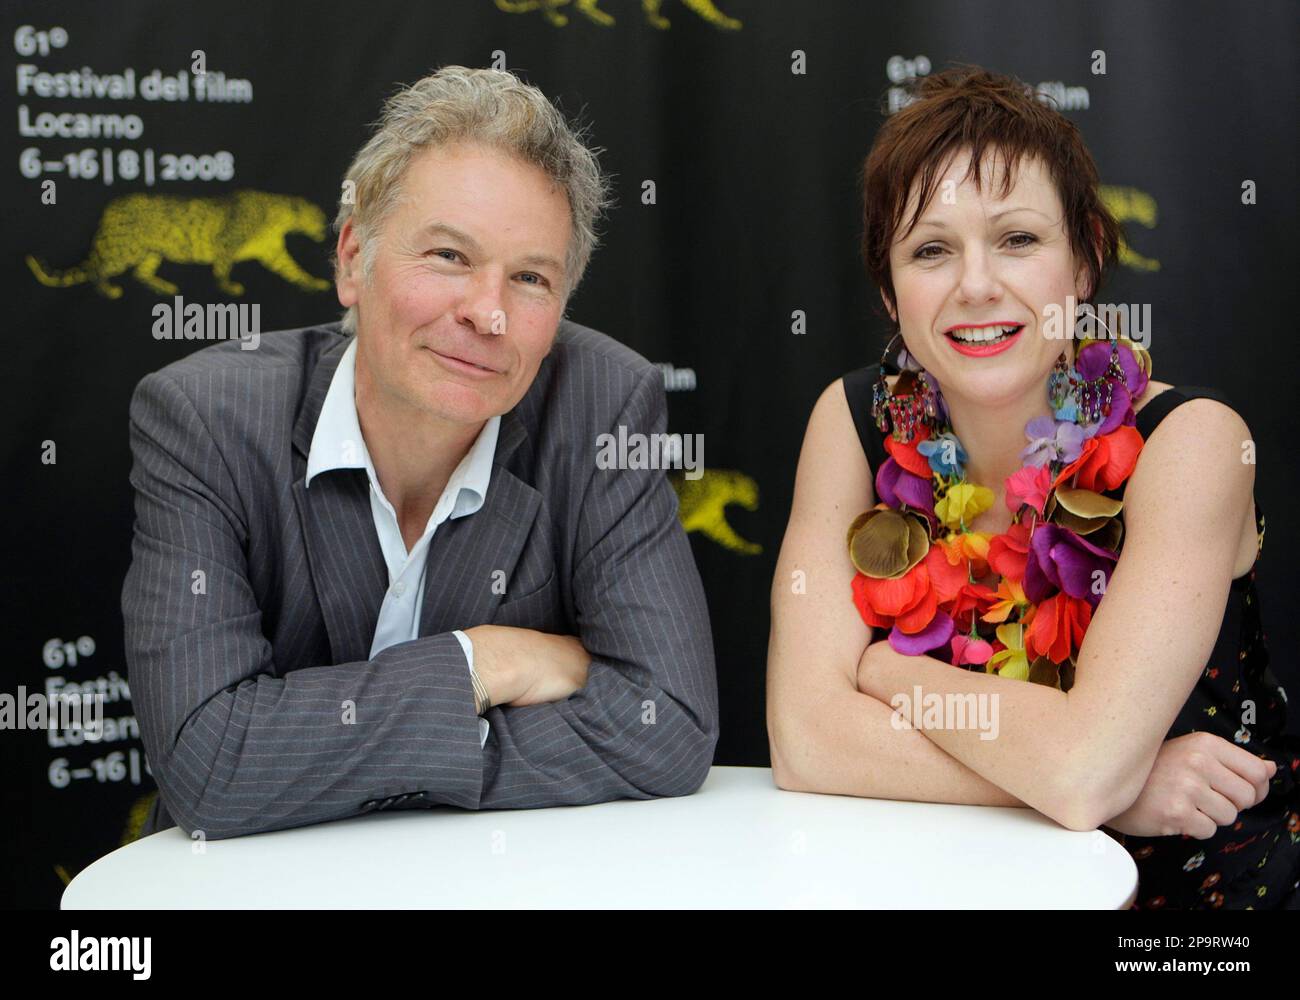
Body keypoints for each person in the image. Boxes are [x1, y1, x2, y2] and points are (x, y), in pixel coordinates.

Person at [122, 65, 718, 840]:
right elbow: (210, 761)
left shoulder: (604, 405)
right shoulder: (204, 419)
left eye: (530, 278)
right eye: (448, 257)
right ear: (350, 259)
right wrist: (480, 664)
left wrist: (310, 756)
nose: (488, 313)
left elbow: (666, 721)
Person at [766, 65, 1299, 909]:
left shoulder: (1194, 441)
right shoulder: (853, 419)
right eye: (931, 250)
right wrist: (1119, 787)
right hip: (945, 887)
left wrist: (887, 675)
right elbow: (804, 744)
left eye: (1017, 239)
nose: (976, 284)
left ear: (1084, 258)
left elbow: (1082, 772)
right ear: (887, 289)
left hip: (1195, 912)